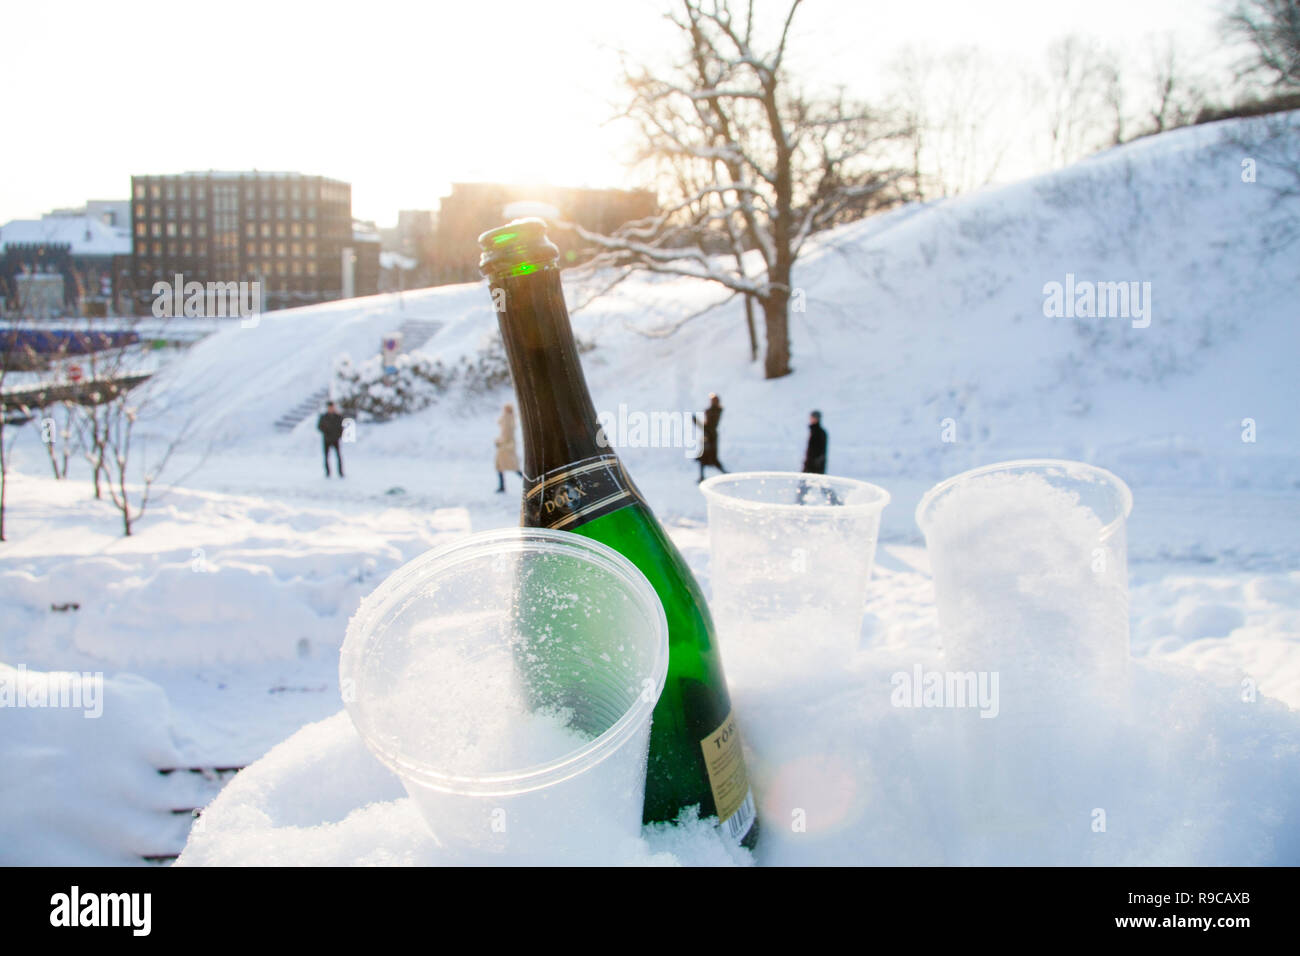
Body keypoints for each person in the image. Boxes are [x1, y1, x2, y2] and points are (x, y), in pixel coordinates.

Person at [693, 393, 727, 483]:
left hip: (711, 437)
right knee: (704, 458)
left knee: (712, 459)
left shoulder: (715, 411)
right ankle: (702, 476)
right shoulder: (713, 410)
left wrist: (696, 421)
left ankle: (725, 474)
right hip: (708, 437)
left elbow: (708, 426)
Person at [494, 402, 522, 493]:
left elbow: (507, 435)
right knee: (501, 467)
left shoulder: (507, 420)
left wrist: (500, 442)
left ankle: (502, 486)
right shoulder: (509, 419)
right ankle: (502, 486)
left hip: (505, 448)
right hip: (505, 447)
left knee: (512, 467)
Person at [318, 401, 345, 478]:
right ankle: (328, 472)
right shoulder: (324, 417)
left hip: (335, 439)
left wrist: (339, 434)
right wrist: (326, 431)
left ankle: (340, 472)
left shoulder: (338, 417)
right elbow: (320, 426)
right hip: (326, 439)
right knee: (326, 456)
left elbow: (341, 427)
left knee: (338, 456)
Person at [803, 410, 827, 474]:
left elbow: (820, 454)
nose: (810, 419)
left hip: (814, 469)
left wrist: (814, 467)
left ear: (817, 419)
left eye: (812, 417)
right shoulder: (813, 431)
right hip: (809, 467)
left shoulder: (819, 433)